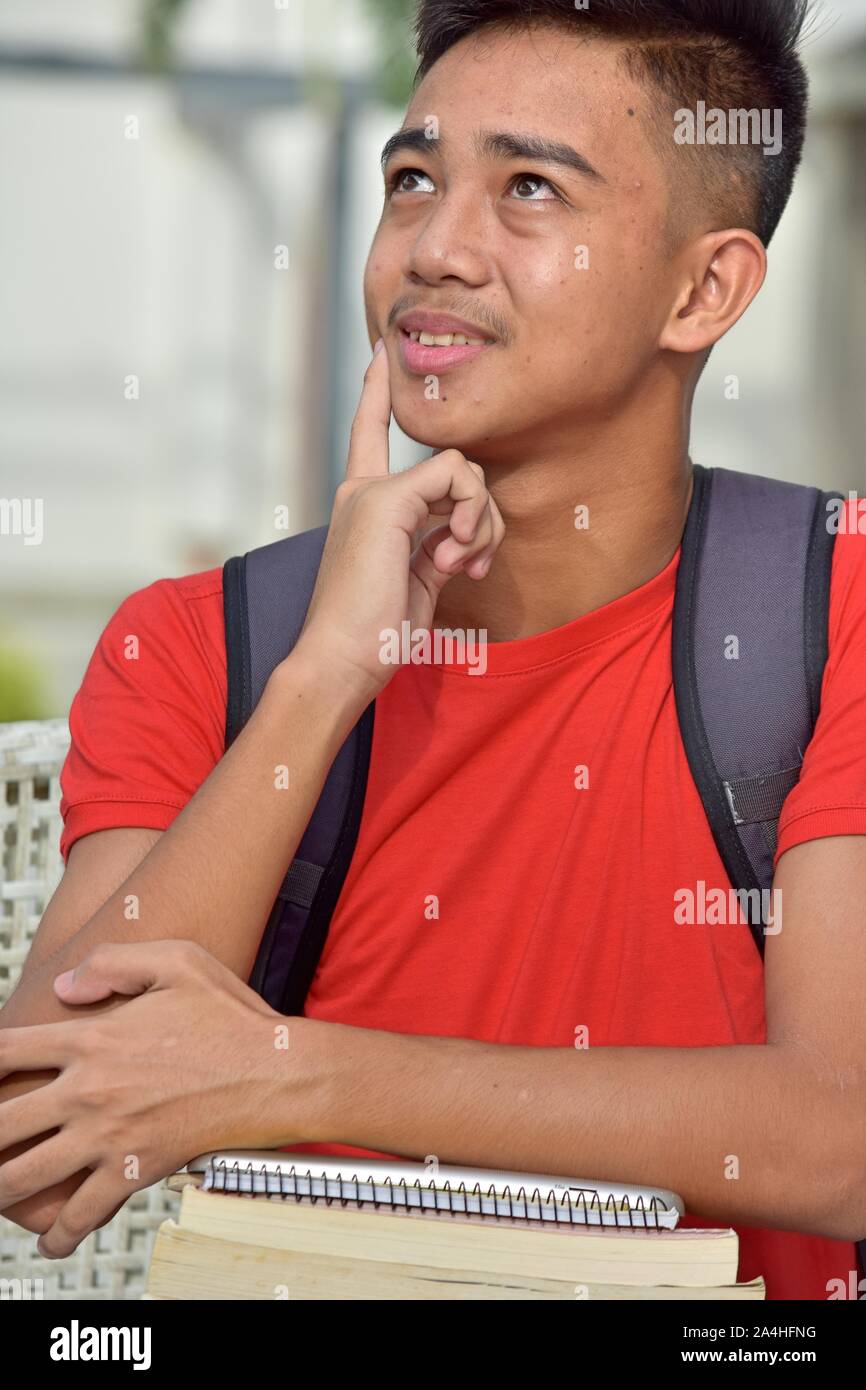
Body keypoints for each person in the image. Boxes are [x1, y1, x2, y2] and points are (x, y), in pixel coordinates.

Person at [1, 0, 864, 1301]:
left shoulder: (833, 606)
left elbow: (837, 1132)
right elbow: (39, 1140)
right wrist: (320, 683)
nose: (433, 247)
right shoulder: (201, 645)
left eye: (526, 188)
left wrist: (298, 1068)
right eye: (411, 180)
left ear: (704, 288)